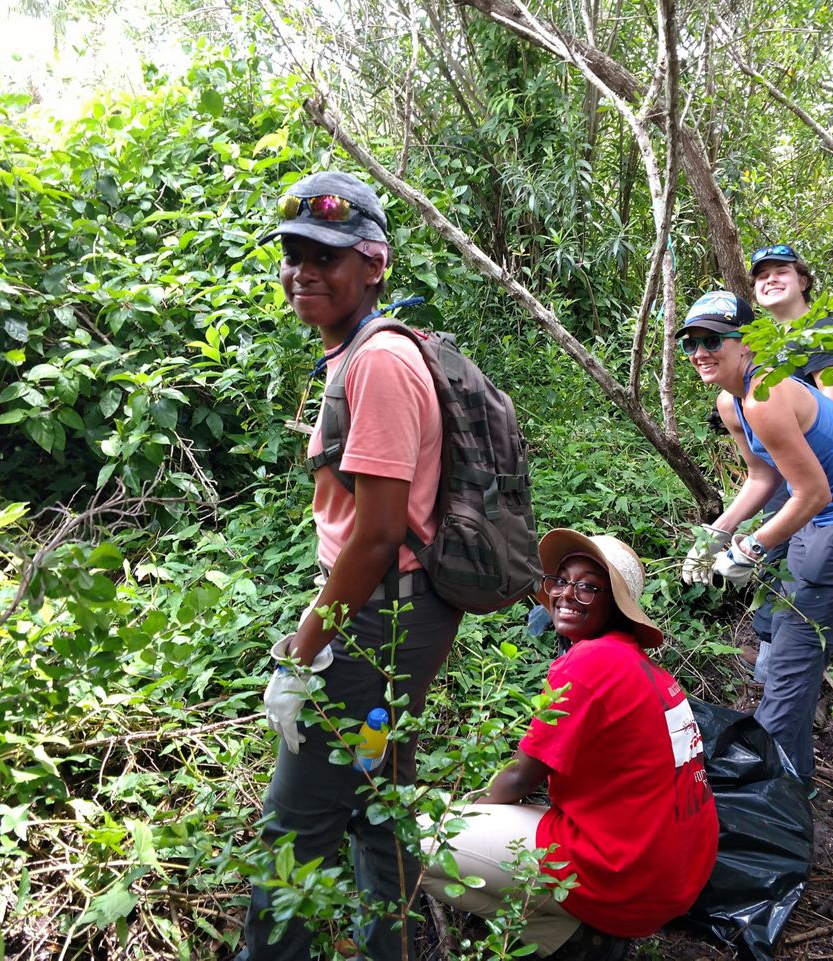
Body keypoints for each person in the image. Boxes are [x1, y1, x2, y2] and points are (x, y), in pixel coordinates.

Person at [238, 171, 462, 961]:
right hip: (391, 608)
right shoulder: (358, 353)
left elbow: (375, 536)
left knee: (294, 828)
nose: (303, 270)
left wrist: (302, 653)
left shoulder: (378, 364)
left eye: (326, 256)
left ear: (375, 263)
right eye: (293, 254)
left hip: (378, 618)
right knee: (377, 805)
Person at [421, 530, 719, 960]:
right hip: (675, 873)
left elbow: (520, 777)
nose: (566, 594)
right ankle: (581, 938)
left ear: (615, 604)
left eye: (588, 587)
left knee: (414, 842)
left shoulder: (591, 661)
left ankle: (574, 933)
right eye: (561, 580)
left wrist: (462, 808)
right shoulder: (642, 667)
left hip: (624, 871)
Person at [675, 290, 833, 787]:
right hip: (820, 511)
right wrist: (716, 534)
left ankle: (770, 795)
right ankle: (793, 776)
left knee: (793, 655)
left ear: (747, 343)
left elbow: (813, 493)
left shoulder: (765, 396)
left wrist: (751, 547)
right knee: (786, 626)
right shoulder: (731, 401)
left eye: (713, 340)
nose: (700, 352)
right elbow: (763, 477)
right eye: (690, 342)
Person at [683, 244, 833, 685]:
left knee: (799, 573)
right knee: (774, 563)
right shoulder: (764, 343)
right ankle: (768, 664)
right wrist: (720, 532)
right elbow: (761, 465)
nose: (770, 280)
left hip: (820, 481)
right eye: (761, 275)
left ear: (803, 280)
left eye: (782, 271)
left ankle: (784, 676)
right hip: (783, 476)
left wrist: (780, 421)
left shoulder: (822, 331)